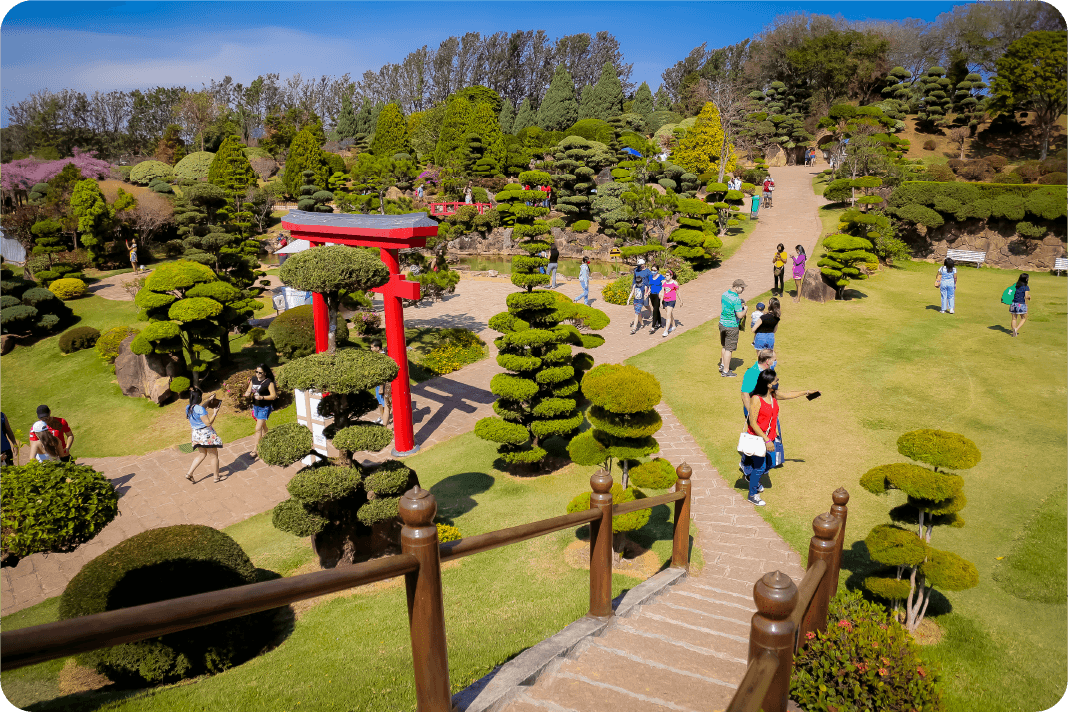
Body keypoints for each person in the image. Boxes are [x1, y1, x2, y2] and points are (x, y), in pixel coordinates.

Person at [743, 369, 818, 506]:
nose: (778, 382)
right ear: (768, 384)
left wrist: (806, 392)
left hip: (771, 437)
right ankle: (752, 494)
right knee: (760, 467)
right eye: (776, 380)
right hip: (760, 438)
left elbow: (789, 395)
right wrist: (766, 439)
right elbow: (753, 423)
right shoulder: (756, 399)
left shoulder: (773, 395)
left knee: (770, 464)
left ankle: (749, 471)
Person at [185, 388, 223, 483]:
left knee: (202, 454)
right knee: (213, 455)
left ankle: (189, 473)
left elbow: (200, 408)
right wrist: (215, 413)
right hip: (206, 434)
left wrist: (209, 401)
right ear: (199, 398)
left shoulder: (188, 407)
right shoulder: (200, 409)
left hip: (196, 435)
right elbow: (208, 423)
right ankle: (216, 477)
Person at [244, 364, 278, 459]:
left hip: (264, 407)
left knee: (258, 428)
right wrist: (247, 394)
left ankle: (256, 449)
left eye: (260, 372)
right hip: (256, 407)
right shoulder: (254, 379)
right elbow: (249, 390)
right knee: (263, 426)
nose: (258, 374)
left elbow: (273, 396)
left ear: (265, 373)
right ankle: (269, 441)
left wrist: (262, 397)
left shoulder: (269, 382)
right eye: (256, 372)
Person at [719, 279, 747, 377]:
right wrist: (745, 310)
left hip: (722, 323)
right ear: (737, 287)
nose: (743, 289)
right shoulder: (736, 300)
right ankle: (726, 371)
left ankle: (722, 365)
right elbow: (740, 315)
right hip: (731, 326)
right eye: (742, 288)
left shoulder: (724, 294)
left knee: (724, 346)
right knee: (729, 349)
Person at [370, 340, 392, 424]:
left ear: (377, 347)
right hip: (378, 383)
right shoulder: (380, 355)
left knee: (383, 402)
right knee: (380, 402)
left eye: (372, 347)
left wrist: (381, 387)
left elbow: (382, 374)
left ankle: (385, 420)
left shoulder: (382, 358)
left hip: (381, 384)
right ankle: (383, 418)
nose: (371, 349)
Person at [661, 269, 682, 336]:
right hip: (665, 300)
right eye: (666, 275)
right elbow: (662, 292)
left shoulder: (674, 283)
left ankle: (666, 331)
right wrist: (661, 301)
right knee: (669, 314)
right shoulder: (664, 282)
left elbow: (678, 292)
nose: (666, 276)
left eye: (667, 275)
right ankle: (674, 325)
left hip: (672, 300)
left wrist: (681, 300)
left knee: (668, 315)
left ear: (671, 276)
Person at [1010, 273, 1031, 337]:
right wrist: (1029, 297)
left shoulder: (1016, 285)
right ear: (1026, 279)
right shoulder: (1026, 287)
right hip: (1020, 304)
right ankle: (1016, 329)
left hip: (1013, 304)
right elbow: (1026, 297)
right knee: (1024, 318)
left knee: (1014, 318)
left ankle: (1014, 330)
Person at [647, 264, 665, 333]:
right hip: (652, 295)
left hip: (658, 295)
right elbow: (650, 286)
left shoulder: (661, 277)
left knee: (655, 310)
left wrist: (662, 292)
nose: (653, 271)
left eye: (655, 270)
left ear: (657, 270)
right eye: (652, 270)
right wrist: (647, 292)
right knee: (656, 309)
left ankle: (653, 326)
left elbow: (664, 285)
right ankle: (659, 323)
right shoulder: (650, 277)